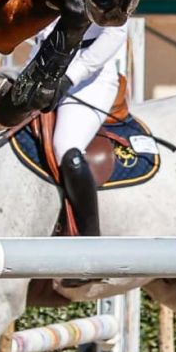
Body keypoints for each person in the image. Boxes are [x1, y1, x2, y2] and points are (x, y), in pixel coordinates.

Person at [41, 19, 130, 239]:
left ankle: (90, 243)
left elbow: (116, 31)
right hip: (40, 67)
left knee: (66, 147)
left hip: (88, 77)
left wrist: (72, 74)